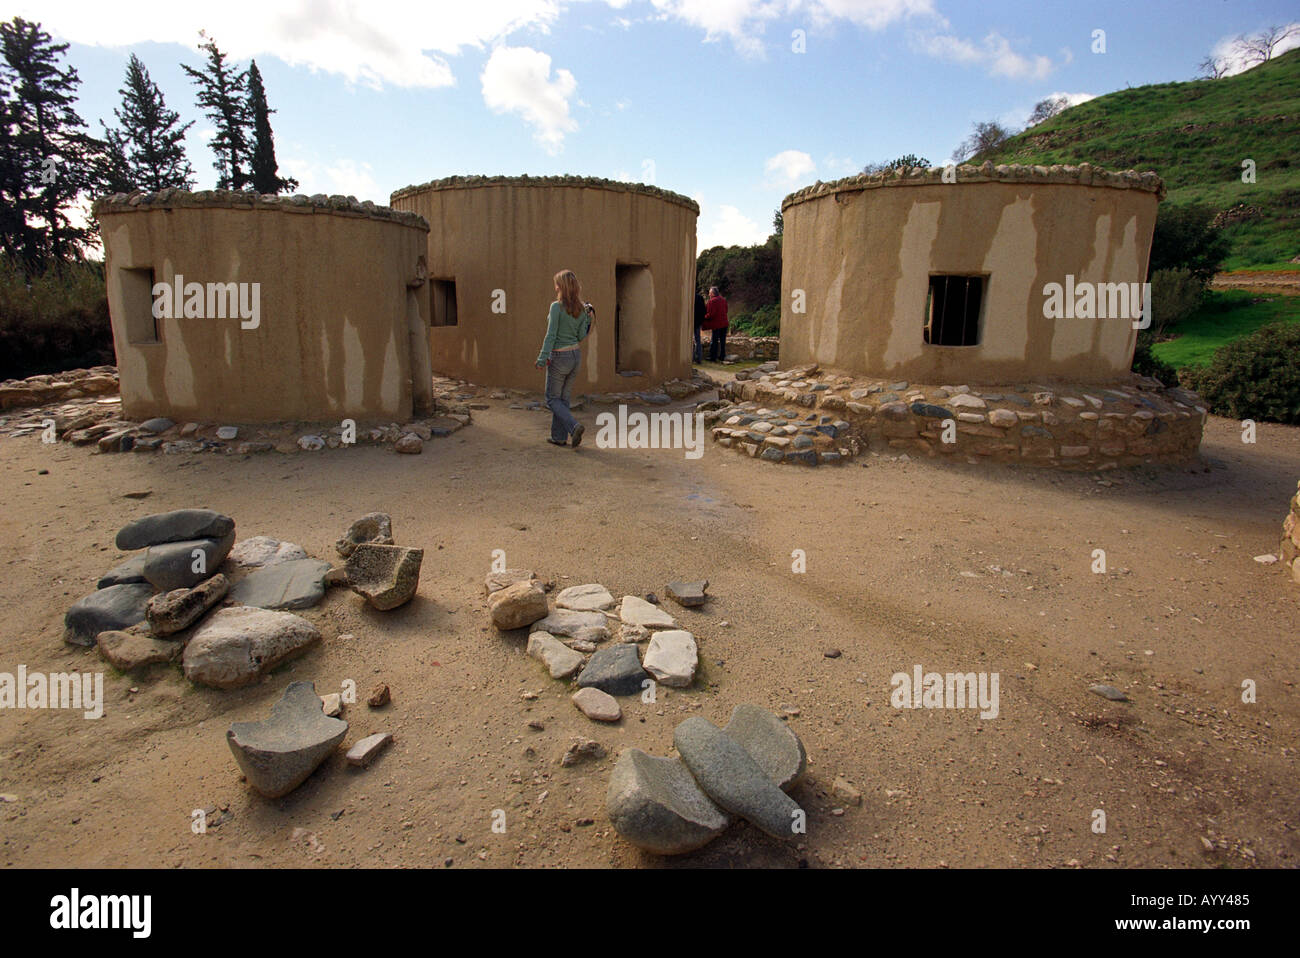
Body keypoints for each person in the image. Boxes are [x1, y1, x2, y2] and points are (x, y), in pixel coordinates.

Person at [536, 269, 595, 448]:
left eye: (556, 284)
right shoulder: (581, 309)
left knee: (552, 399)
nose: (555, 287)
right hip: (575, 355)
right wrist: (588, 320)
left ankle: (574, 426)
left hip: (560, 356)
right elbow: (579, 337)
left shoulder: (556, 307)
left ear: (561, 286)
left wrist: (542, 357)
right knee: (563, 399)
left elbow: (551, 335)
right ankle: (559, 437)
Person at [703, 286, 728, 362]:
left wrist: (703, 317)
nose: (709, 294)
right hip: (724, 323)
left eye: (710, 293)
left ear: (713, 293)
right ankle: (722, 356)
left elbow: (711, 314)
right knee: (723, 341)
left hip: (717, 324)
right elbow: (726, 310)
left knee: (714, 341)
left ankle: (713, 357)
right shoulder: (723, 300)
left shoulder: (712, 301)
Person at [692, 288, 706, 363]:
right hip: (698, 322)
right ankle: (699, 358)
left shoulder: (690, 297)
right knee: (698, 340)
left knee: (689, 341)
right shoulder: (700, 298)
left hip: (691, 321)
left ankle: (691, 357)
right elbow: (704, 310)